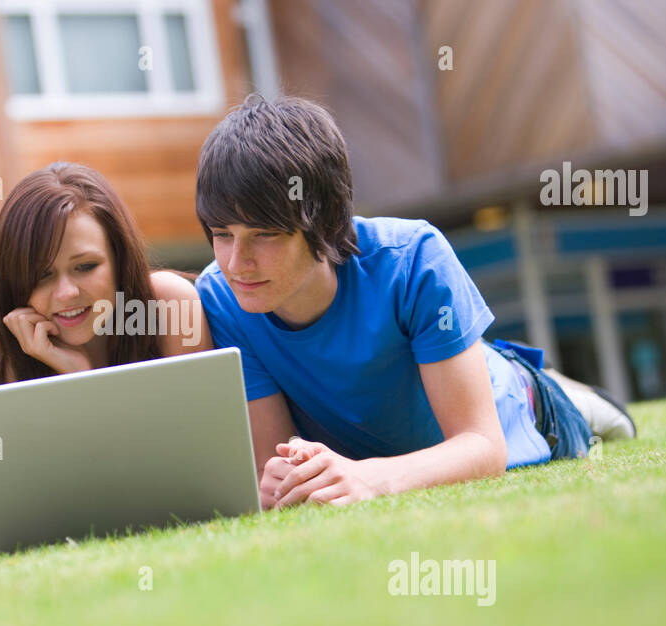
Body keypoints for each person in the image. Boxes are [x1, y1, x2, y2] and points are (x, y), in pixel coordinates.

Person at [192, 95, 636, 511]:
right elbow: (280, 461)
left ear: (324, 222)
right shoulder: (221, 298)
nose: (237, 262)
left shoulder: (414, 257)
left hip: (527, 412)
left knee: (562, 409)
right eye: (221, 234)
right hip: (390, 437)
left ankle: (572, 395)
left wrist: (371, 479)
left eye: (264, 235)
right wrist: (281, 476)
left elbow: (483, 445)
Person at [0, 162, 211, 384]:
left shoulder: (171, 306)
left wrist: (83, 378)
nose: (66, 293)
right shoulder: (5, 333)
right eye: (42, 275)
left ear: (119, 259)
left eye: (85, 267)